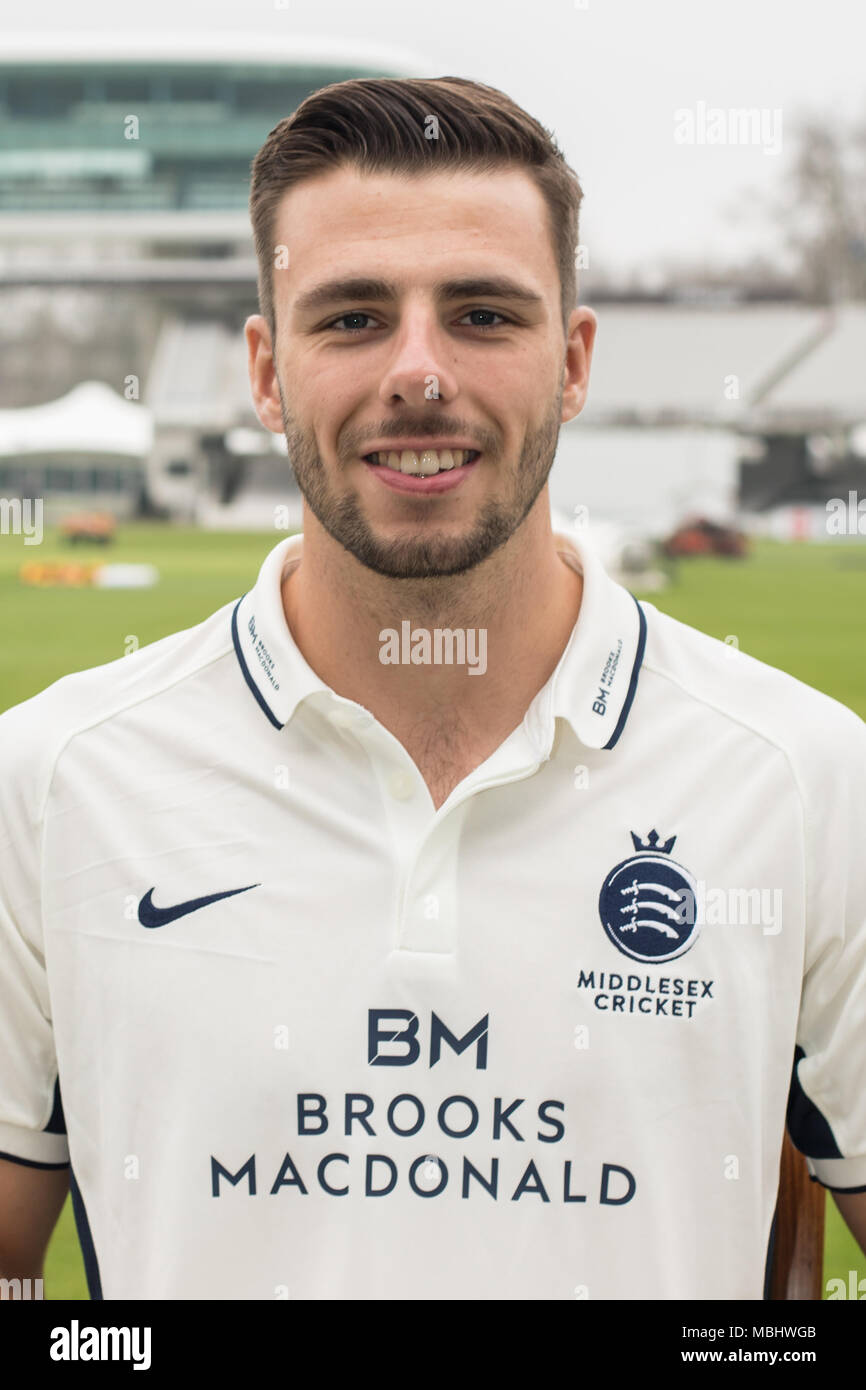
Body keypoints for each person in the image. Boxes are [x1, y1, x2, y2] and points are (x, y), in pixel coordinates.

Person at [0, 75, 864, 1301]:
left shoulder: (807, 778)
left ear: (571, 363)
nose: (417, 373)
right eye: (351, 317)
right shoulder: (45, 784)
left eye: (480, 315)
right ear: (264, 369)